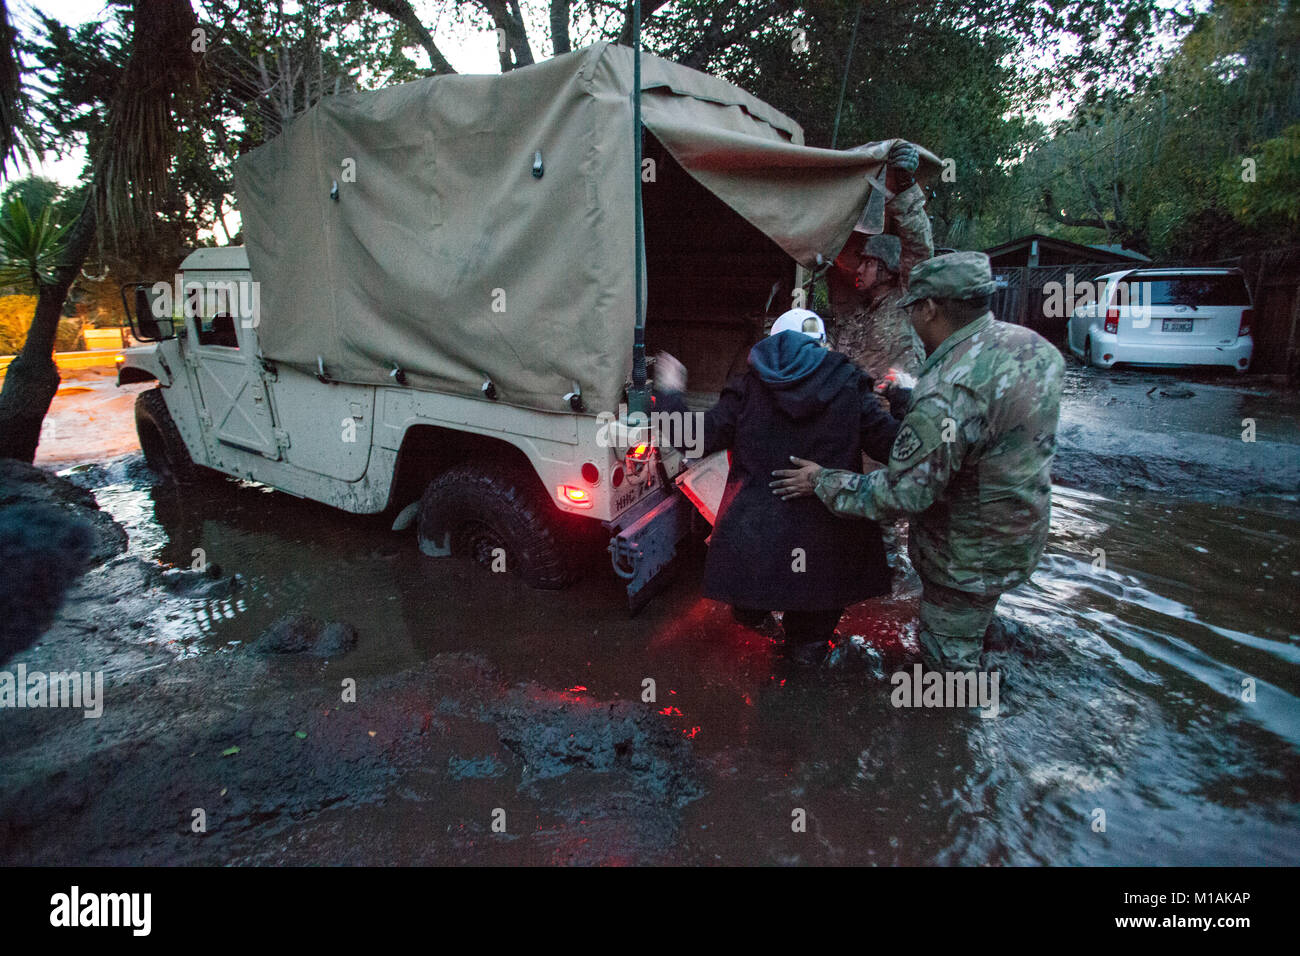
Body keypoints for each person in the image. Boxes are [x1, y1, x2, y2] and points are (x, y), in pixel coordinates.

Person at [770, 252, 1065, 670]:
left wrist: (822, 481)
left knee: (947, 674)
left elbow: (904, 493)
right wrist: (910, 403)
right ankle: (998, 646)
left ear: (929, 308)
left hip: (964, 556)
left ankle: (957, 721)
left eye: (913, 310)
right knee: (979, 615)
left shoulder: (946, 390)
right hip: (1019, 533)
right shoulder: (1034, 349)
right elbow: (988, 428)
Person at [656, 309, 903, 665]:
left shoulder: (747, 388)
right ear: (821, 344)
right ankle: (798, 693)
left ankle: (761, 638)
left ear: (771, 345)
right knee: (810, 646)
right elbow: (897, 449)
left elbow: (692, 439)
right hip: (826, 545)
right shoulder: (849, 384)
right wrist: (903, 399)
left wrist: (669, 390)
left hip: (756, 540)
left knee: (748, 610)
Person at [827, 140, 934, 383]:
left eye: (869, 263)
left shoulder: (907, 303)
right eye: (861, 262)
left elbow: (918, 247)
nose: (860, 269)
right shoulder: (856, 315)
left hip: (894, 412)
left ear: (888, 270)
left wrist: (904, 186)